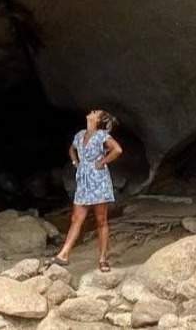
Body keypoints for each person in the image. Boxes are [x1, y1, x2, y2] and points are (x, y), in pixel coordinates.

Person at [52, 109, 123, 271]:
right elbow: (72, 149)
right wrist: (76, 163)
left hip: (98, 181)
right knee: (76, 219)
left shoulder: (102, 136)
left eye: (95, 112)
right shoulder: (80, 134)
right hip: (83, 181)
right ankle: (63, 255)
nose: (91, 112)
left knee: (101, 220)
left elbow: (117, 150)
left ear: (98, 120)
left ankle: (103, 259)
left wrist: (102, 162)